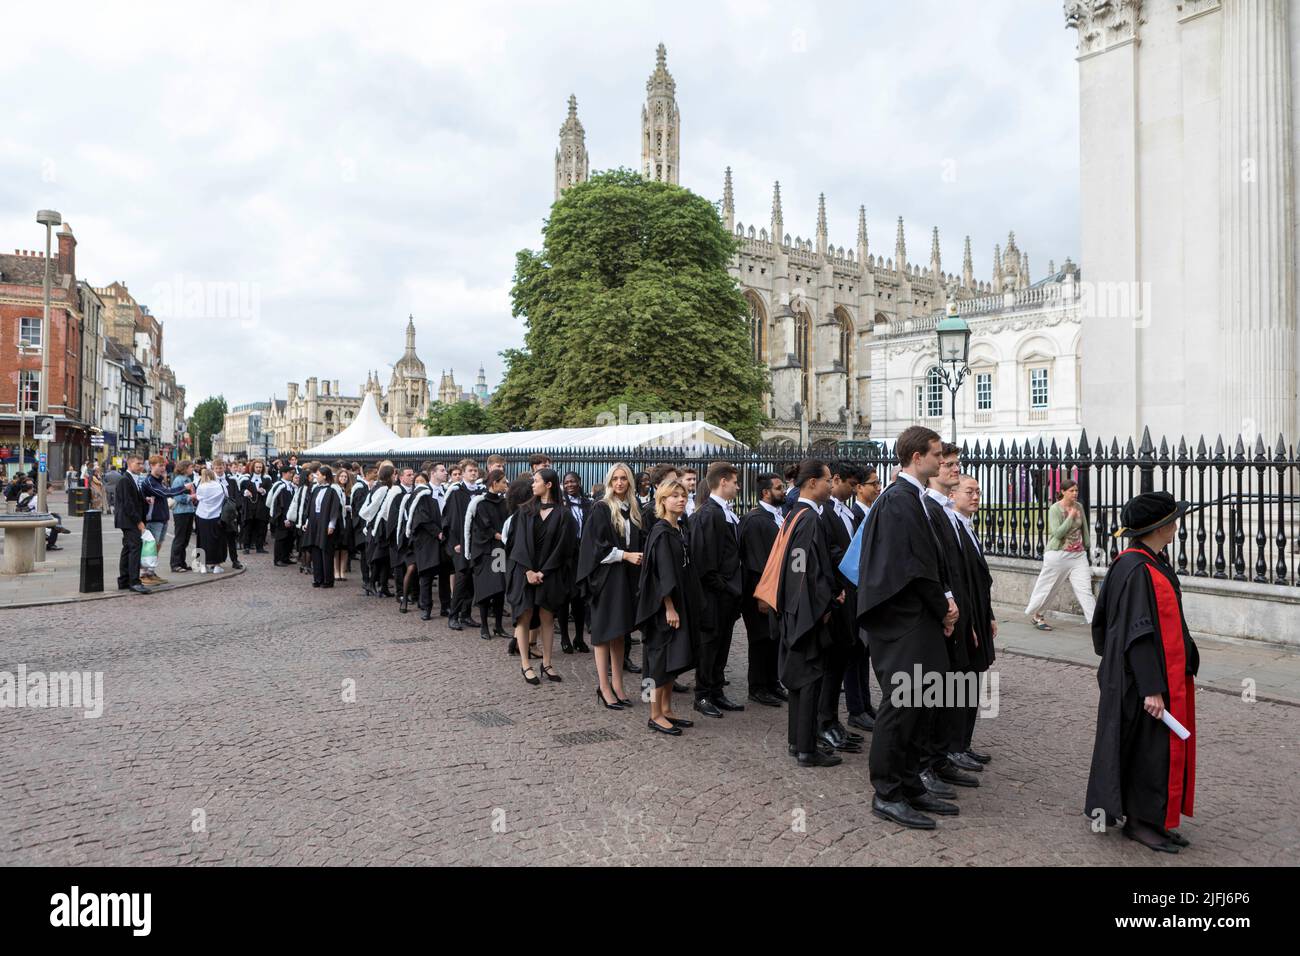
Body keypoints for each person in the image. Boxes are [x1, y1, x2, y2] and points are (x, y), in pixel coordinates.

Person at [857, 426, 960, 830]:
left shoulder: (908, 499)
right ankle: (886, 792)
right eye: (936, 453)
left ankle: (909, 780)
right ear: (917, 457)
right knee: (901, 707)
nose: (940, 460)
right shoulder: (899, 501)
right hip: (902, 624)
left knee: (921, 705)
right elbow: (916, 569)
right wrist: (944, 607)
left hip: (917, 621)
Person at [1085, 491, 1198, 854]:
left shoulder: (1148, 560)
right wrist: (1151, 687)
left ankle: (1157, 818)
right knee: (1146, 751)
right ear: (1159, 528)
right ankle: (1140, 822)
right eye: (1172, 520)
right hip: (1142, 681)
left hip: (1151, 675)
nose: (1176, 525)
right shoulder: (1136, 568)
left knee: (1156, 751)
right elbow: (1139, 632)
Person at [774, 460, 843, 767]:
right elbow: (802, 571)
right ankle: (807, 750)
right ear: (812, 482)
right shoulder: (809, 519)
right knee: (810, 678)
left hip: (796, 610)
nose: (832, 485)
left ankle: (797, 742)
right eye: (828, 480)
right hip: (806, 614)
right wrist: (822, 607)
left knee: (800, 679)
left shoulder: (794, 515)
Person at [921, 444, 982, 787]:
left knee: (952, 688)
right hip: (937, 619)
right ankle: (927, 763)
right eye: (949, 464)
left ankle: (942, 755)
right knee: (931, 695)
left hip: (956, 617)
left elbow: (962, 574)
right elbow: (932, 569)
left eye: (958, 464)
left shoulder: (944, 512)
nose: (956, 469)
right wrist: (947, 610)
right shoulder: (927, 508)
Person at [633, 478, 699, 735]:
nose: (680, 499)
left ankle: (667, 709)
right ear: (662, 501)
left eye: (683, 495)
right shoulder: (660, 533)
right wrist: (669, 607)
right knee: (656, 662)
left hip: (679, 602)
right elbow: (661, 575)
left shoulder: (679, 529)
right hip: (662, 607)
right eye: (674, 496)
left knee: (671, 661)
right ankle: (654, 714)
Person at [577, 463, 644, 710]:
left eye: (623, 479)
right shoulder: (601, 509)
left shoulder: (633, 510)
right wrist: (625, 556)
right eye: (615, 479)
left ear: (629, 482)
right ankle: (604, 687)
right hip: (605, 580)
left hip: (625, 580)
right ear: (609, 482)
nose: (619, 483)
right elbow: (595, 548)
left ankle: (618, 685)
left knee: (620, 633)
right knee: (604, 633)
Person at [505, 468, 575, 686]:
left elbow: (565, 547)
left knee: (547, 617)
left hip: (550, 573)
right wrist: (528, 571)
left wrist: (544, 572)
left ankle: (547, 663)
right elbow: (515, 544)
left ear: (549, 485)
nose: (532, 485)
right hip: (524, 572)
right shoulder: (523, 511)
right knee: (524, 616)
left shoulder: (564, 514)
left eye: (536, 481)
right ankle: (525, 664)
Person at [688, 461, 745, 718]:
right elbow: (704, 559)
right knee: (710, 644)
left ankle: (716, 690)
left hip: (727, 593)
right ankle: (702, 694)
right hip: (715, 594)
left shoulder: (724, 512)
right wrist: (723, 587)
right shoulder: (709, 513)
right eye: (734, 482)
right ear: (723, 482)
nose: (737, 486)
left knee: (722, 643)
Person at [817, 461, 865, 755]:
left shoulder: (844, 511)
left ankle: (833, 719)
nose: (854, 489)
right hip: (837, 594)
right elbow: (829, 552)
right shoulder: (825, 513)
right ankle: (824, 722)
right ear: (837, 480)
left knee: (842, 658)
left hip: (850, 592)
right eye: (851, 484)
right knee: (831, 664)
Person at [950, 476, 996, 767]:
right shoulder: (952, 526)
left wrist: (988, 615)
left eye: (978, 491)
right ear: (953, 494)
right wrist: (968, 623)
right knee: (959, 684)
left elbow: (980, 579)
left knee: (973, 680)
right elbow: (957, 581)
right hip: (965, 617)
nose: (976, 496)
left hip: (978, 613)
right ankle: (954, 746)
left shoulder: (967, 526)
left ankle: (964, 743)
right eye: (970, 491)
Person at [737, 472, 785, 707]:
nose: (783, 491)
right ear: (766, 492)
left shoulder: (778, 516)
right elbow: (756, 562)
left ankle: (772, 681)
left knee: (773, 637)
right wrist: (761, 596)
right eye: (778, 488)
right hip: (759, 592)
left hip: (775, 590)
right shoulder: (755, 520)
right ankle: (757, 687)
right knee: (760, 639)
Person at [1025, 479, 1097, 629]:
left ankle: (1097, 624)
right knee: (1049, 587)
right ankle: (1038, 615)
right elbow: (1057, 533)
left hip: (1078, 556)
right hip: (1058, 555)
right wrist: (1070, 517)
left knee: (1085, 590)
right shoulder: (1055, 509)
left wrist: (1087, 545)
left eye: (1076, 490)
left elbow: (1084, 528)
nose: (1075, 493)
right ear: (1063, 492)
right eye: (1071, 491)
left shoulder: (1079, 507)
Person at [845, 465, 883, 733]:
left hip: (867, 594)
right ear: (858, 488)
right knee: (855, 653)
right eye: (872, 484)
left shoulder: (871, 512)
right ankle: (856, 708)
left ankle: (865, 704)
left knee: (863, 654)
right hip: (856, 594)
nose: (877, 488)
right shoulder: (856, 514)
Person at [466, 468, 509, 635]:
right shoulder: (481, 503)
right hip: (484, 552)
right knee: (485, 590)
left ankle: (498, 626)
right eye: (503, 482)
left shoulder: (504, 503)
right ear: (494, 483)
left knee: (499, 589)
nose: (506, 485)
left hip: (498, 552)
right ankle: (484, 626)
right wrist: (502, 537)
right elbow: (485, 528)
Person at [142, 454, 193, 586]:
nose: (163, 468)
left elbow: (165, 492)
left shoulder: (159, 480)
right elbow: (165, 493)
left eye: (164, 465)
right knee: (150, 547)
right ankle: (144, 574)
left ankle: (151, 572)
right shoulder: (149, 481)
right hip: (154, 518)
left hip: (162, 517)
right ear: (152, 466)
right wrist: (184, 488)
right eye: (160, 466)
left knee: (157, 546)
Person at [445, 459, 482, 630]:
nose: (473, 473)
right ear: (463, 473)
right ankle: (453, 615)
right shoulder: (456, 492)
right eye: (470, 471)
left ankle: (466, 614)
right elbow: (451, 520)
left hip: (476, 542)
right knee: (461, 579)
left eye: (475, 470)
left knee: (472, 581)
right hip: (461, 542)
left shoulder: (481, 491)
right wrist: (455, 543)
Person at [557, 471, 591, 654]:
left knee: (580, 598)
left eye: (573, 481)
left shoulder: (588, 504)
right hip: (565, 556)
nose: (570, 484)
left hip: (582, 555)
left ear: (579, 482)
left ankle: (579, 637)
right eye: (567, 482)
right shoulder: (560, 505)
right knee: (564, 598)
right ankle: (564, 637)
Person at [395, 470, 438, 613]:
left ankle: (419, 598)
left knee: (423, 570)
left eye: (422, 481)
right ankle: (404, 599)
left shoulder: (428, 498)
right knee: (411, 568)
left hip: (424, 541)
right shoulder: (409, 497)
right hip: (410, 540)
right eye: (417, 482)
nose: (419, 484)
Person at [112, 455, 152, 594]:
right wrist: (139, 522)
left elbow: (132, 499)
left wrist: (144, 500)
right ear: (129, 464)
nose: (141, 466)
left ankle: (124, 580)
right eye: (138, 463)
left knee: (128, 549)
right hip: (129, 520)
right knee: (135, 548)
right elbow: (127, 504)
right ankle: (134, 582)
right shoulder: (125, 480)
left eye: (142, 463)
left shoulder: (133, 479)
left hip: (128, 519)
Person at [360, 464, 397, 598]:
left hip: (382, 525)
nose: (395, 477)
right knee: (379, 556)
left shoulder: (383, 487)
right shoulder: (382, 489)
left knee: (385, 557)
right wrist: (370, 523)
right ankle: (371, 583)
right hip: (379, 526)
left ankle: (383, 585)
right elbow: (373, 507)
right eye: (393, 474)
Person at [306, 464, 341, 588]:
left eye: (319, 475)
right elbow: (310, 507)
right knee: (315, 549)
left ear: (325, 476)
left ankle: (328, 579)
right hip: (314, 522)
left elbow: (335, 509)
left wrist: (332, 524)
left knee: (326, 550)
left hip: (325, 522)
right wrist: (307, 522)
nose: (316, 476)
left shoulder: (332, 490)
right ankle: (318, 578)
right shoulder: (315, 489)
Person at [193, 467, 229, 574]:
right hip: (216, 516)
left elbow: (198, 498)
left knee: (202, 540)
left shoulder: (201, 486)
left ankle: (203, 565)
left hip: (202, 516)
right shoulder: (220, 486)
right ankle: (216, 565)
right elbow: (226, 496)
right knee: (217, 541)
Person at [169, 460, 198, 573]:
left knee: (185, 538)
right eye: (191, 467)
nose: (192, 469)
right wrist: (191, 497)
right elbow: (177, 497)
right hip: (181, 512)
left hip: (188, 510)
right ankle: (175, 563)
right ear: (185, 468)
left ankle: (182, 562)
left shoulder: (188, 479)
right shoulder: (179, 480)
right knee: (180, 538)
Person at [268, 465, 297, 566]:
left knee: (289, 538)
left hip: (289, 516)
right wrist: (283, 517)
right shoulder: (279, 485)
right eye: (290, 473)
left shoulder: (291, 486)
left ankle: (285, 557)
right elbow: (275, 502)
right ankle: (278, 559)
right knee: (281, 538)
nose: (291, 475)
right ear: (284, 474)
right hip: (281, 516)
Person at [242, 459, 272, 554]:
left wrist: (264, 491)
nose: (258, 469)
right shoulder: (247, 479)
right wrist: (245, 492)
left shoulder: (266, 480)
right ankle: (246, 547)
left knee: (261, 527)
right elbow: (241, 490)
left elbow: (270, 491)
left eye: (260, 467)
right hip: (250, 507)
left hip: (261, 507)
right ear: (253, 468)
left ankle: (260, 547)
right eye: (257, 467)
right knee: (248, 527)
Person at [333, 467, 354, 583]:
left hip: (348, 520)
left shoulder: (350, 491)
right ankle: (336, 571)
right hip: (338, 520)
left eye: (345, 477)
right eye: (341, 476)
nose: (343, 478)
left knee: (345, 548)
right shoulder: (335, 489)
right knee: (337, 547)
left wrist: (350, 508)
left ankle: (342, 571)